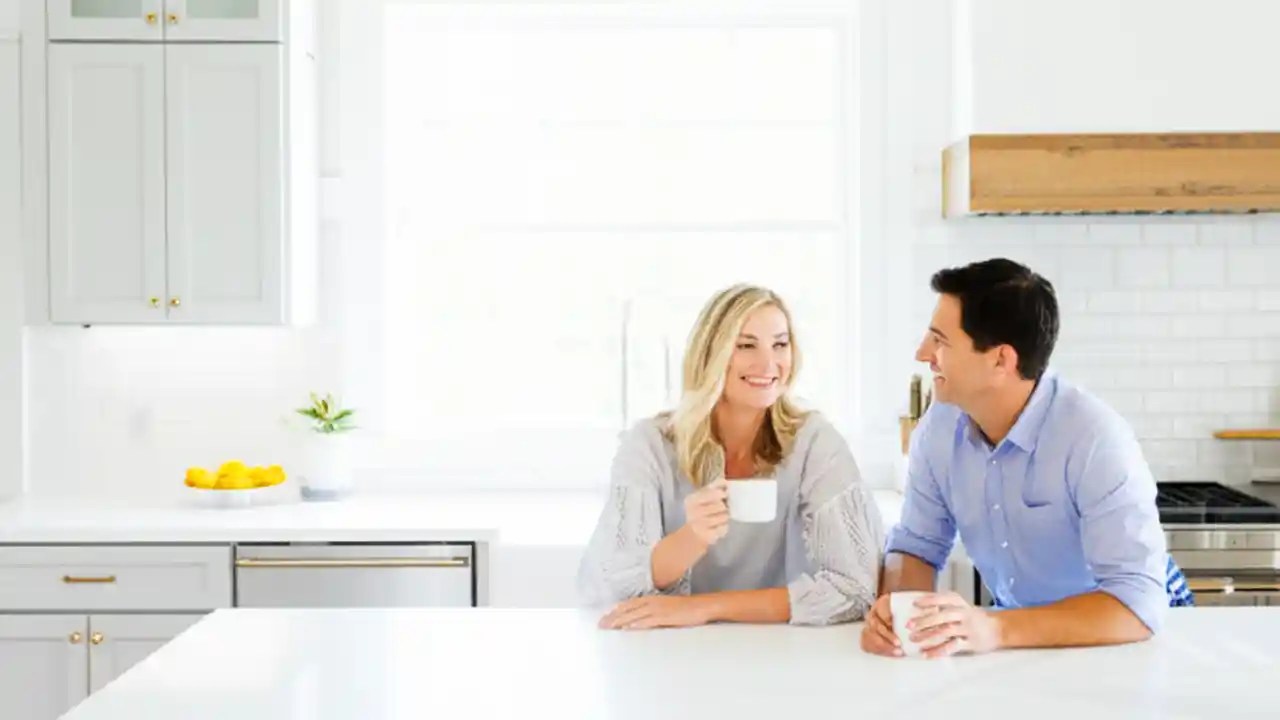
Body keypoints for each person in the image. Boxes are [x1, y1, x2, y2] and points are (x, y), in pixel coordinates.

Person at [862, 258, 1183, 659]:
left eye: (940, 341)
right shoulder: (939, 428)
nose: (922, 353)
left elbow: (1137, 603)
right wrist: (896, 617)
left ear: (1001, 361)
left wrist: (993, 627)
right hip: (1024, 635)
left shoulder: (1094, 437)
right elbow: (916, 546)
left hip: (1129, 635)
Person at [579, 284, 884, 629]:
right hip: (670, 654)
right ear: (711, 354)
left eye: (780, 344)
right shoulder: (649, 445)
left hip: (783, 653)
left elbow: (855, 588)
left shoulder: (815, 443)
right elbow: (615, 585)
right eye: (746, 345)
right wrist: (692, 537)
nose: (769, 363)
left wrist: (705, 608)